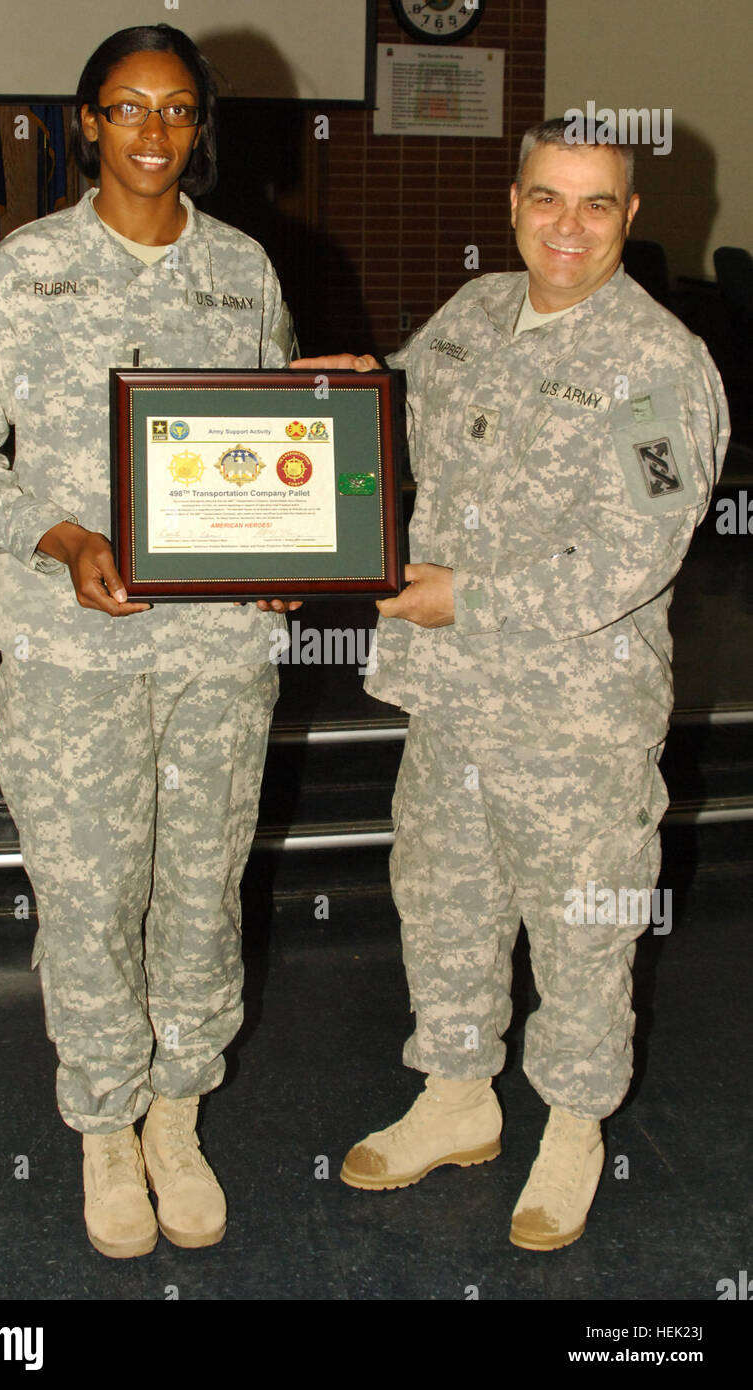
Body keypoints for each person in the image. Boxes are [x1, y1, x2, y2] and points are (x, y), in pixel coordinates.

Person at [292, 118, 730, 1250]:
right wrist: (350, 393)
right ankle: (457, 1096)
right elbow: (402, 411)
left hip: (572, 717)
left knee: (582, 932)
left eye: (595, 204)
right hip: (449, 705)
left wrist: (468, 597)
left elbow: (636, 555)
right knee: (444, 905)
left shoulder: (656, 370)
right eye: (547, 199)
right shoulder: (477, 315)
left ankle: (576, 1127)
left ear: (631, 216)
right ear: (514, 205)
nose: (567, 226)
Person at [0, 24, 298, 1260]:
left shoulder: (244, 271)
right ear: (85, 121)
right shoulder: (22, 273)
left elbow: (294, 434)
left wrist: (299, 555)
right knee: (87, 897)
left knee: (201, 890)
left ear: (200, 127)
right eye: (126, 108)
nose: (152, 133)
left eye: (177, 110)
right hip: (69, 653)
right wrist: (59, 534)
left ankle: (177, 1113)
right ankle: (101, 1124)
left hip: (220, 656)